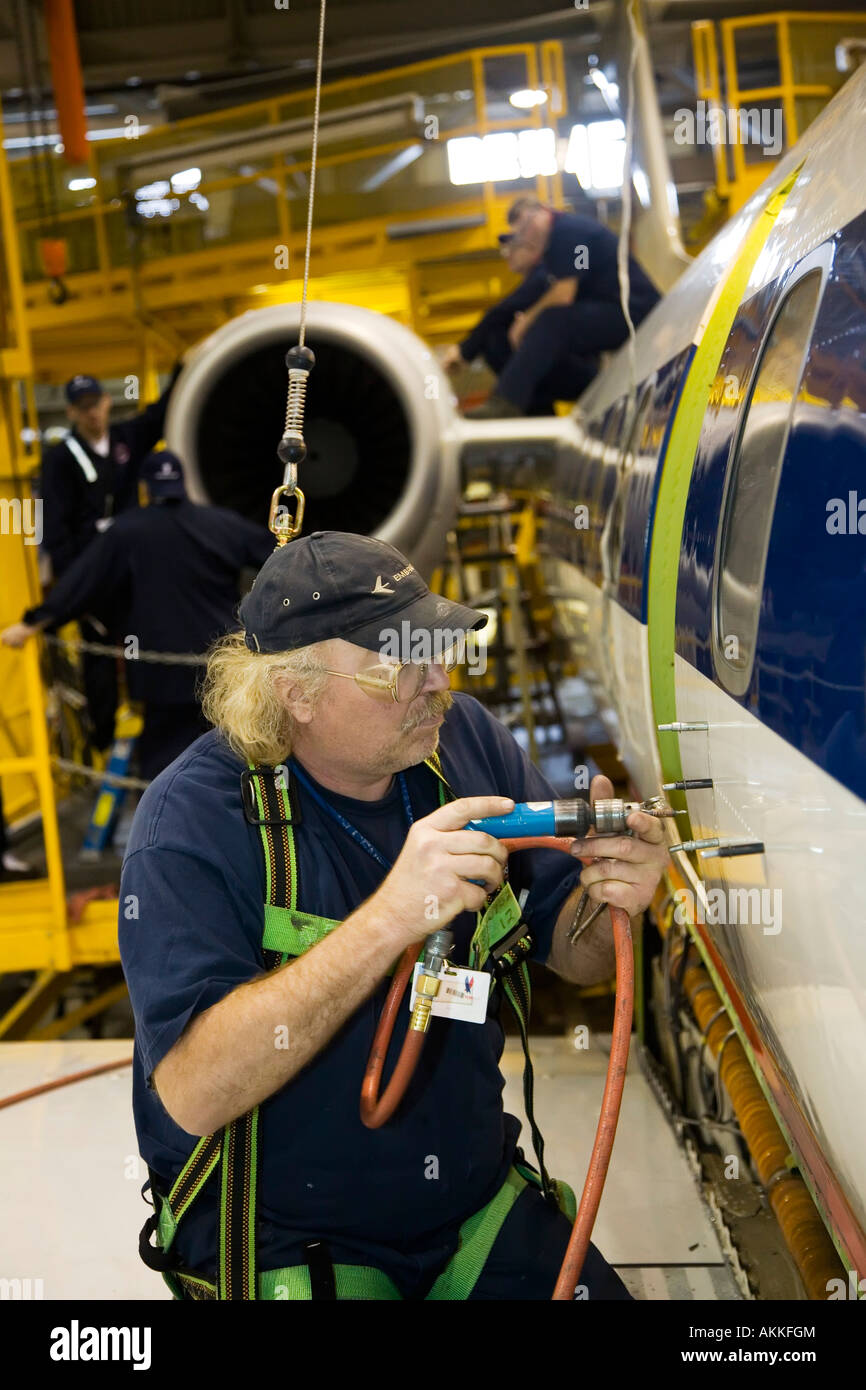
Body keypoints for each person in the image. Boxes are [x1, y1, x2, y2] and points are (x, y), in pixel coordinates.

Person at [117, 529, 668, 1301]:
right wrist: (387, 922)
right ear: (296, 692)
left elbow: (577, 957)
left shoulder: (463, 742)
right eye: (399, 664)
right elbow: (193, 1093)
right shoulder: (191, 823)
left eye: (438, 650)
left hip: (471, 1207)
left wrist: (611, 898)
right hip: (286, 1240)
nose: (438, 681)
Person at [2, 451, 274, 781]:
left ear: (145, 488)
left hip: (157, 677)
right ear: (182, 483)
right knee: (233, 760)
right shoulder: (223, 524)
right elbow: (280, 556)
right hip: (223, 669)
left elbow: (80, 584)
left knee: (165, 773)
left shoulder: (126, 531)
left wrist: (32, 623)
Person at [38, 365, 183, 749]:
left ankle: (150, 728)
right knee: (99, 658)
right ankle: (102, 738)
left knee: (141, 647)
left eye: (96, 404)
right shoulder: (59, 461)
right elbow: (55, 529)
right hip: (93, 578)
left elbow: (158, 416)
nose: (92, 413)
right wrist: (75, 588)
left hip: (133, 574)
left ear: (106, 402)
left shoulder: (124, 440)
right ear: (71, 412)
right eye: (82, 407)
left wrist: (183, 367)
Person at [463, 196, 661, 418]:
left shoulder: (573, 234)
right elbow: (578, 276)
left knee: (554, 321)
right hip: (615, 309)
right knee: (544, 331)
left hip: (634, 311)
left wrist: (527, 320)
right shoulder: (562, 243)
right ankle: (539, 407)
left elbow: (565, 293)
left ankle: (507, 401)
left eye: (526, 229)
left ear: (540, 214)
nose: (526, 237)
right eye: (521, 235)